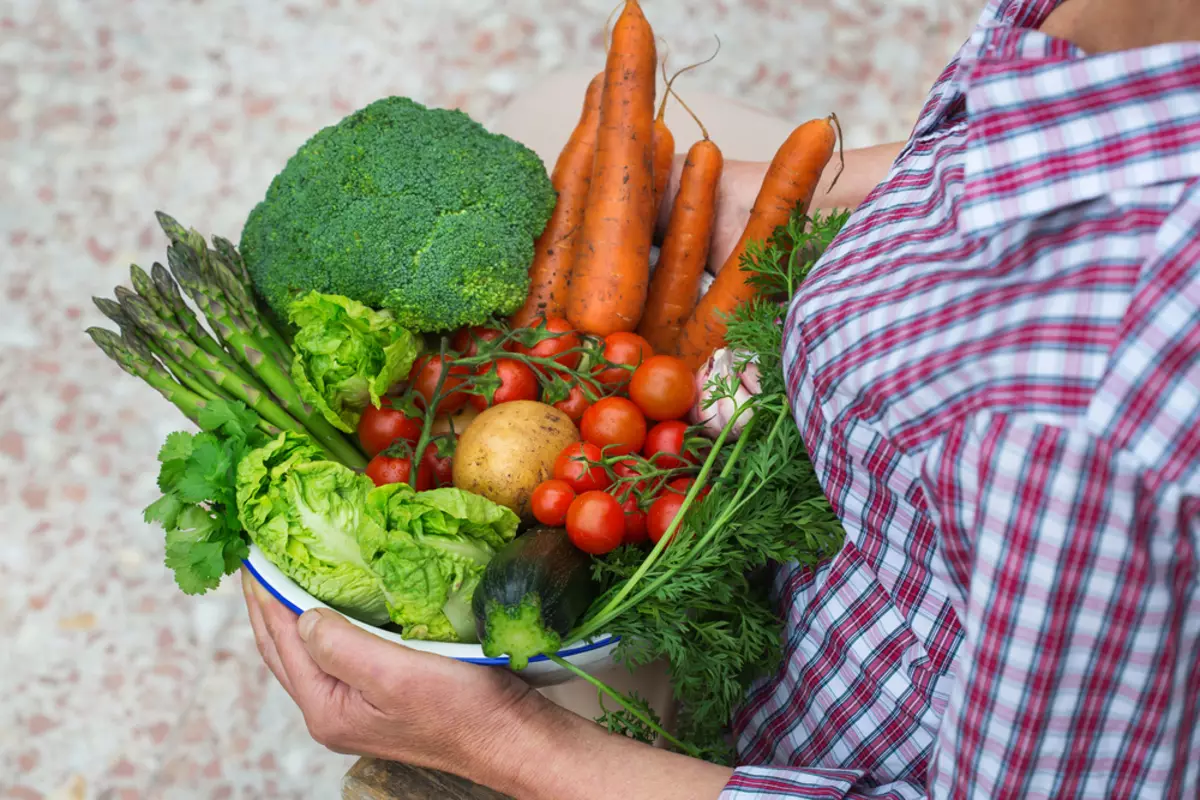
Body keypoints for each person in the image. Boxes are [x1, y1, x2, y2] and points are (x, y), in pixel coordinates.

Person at [241, 0, 1200, 796]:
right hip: (801, 486)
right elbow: (1006, 140)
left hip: (794, 729)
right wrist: (762, 203)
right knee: (549, 119)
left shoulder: (1112, 414)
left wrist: (498, 742)